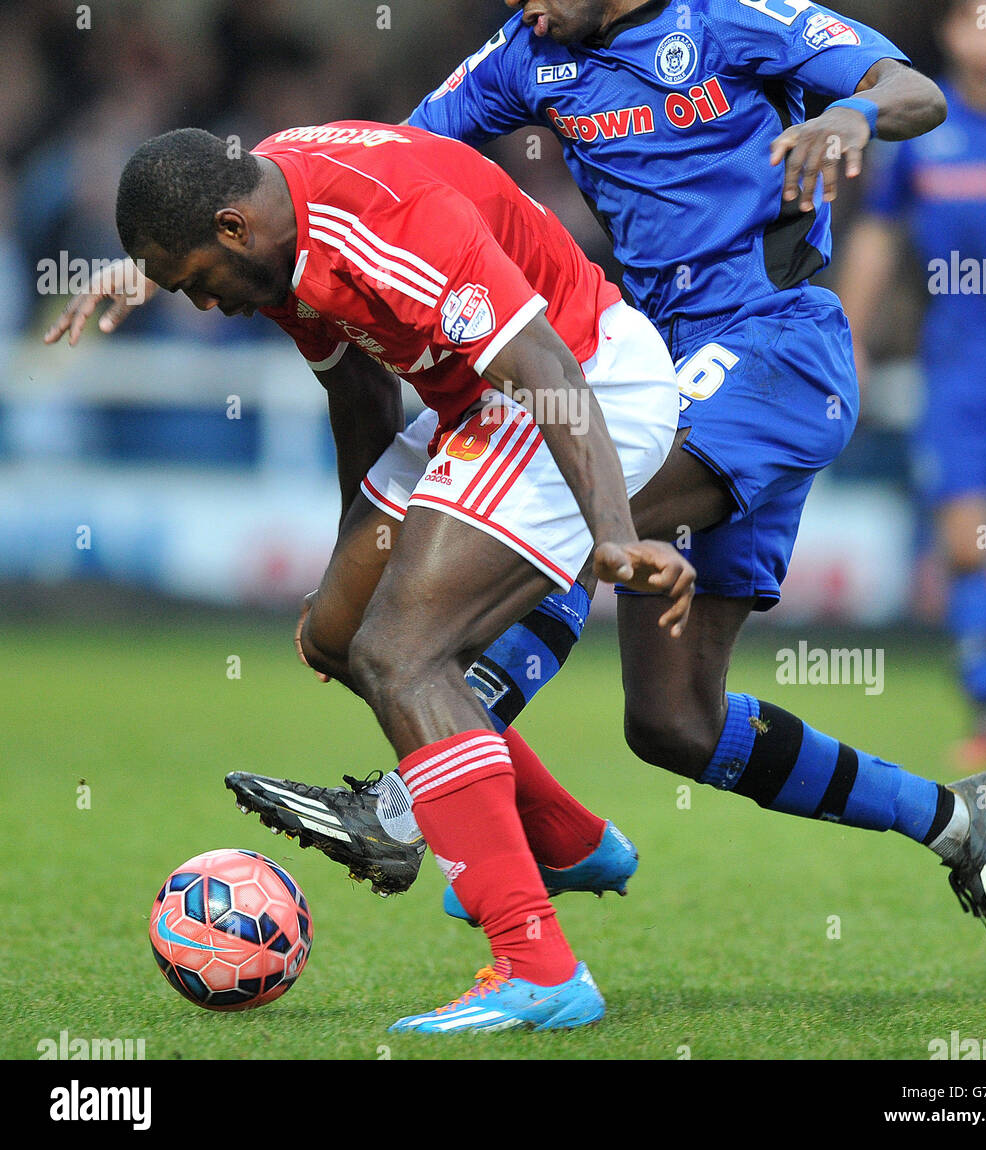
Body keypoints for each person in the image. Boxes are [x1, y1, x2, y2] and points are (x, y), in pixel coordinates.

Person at [47, 0, 986, 989]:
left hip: (771, 353)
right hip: (659, 366)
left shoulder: (730, 14)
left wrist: (854, 120)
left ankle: (410, 804)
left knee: (548, 515)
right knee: (672, 723)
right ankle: (954, 818)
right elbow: (377, 160)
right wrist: (170, 247)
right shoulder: (530, 61)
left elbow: (906, 85)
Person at [98, 120, 696, 1032]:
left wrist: (612, 537)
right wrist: (362, 552)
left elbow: (546, 367)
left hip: (585, 388)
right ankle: (567, 843)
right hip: (479, 406)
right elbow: (360, 394)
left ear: (230, 229)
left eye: (193, 284)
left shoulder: (385, 225)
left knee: (401, 654)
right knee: (337, 636)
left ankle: (539, 967)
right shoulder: (267, 236)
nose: (201, 306)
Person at [838, 0, 986, 768]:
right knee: (968, 545)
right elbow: (875, 237)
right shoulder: (920, 133)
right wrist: (852, 337)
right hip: (959, 359)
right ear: (947, 33)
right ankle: (983, 700)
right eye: (974, 20)